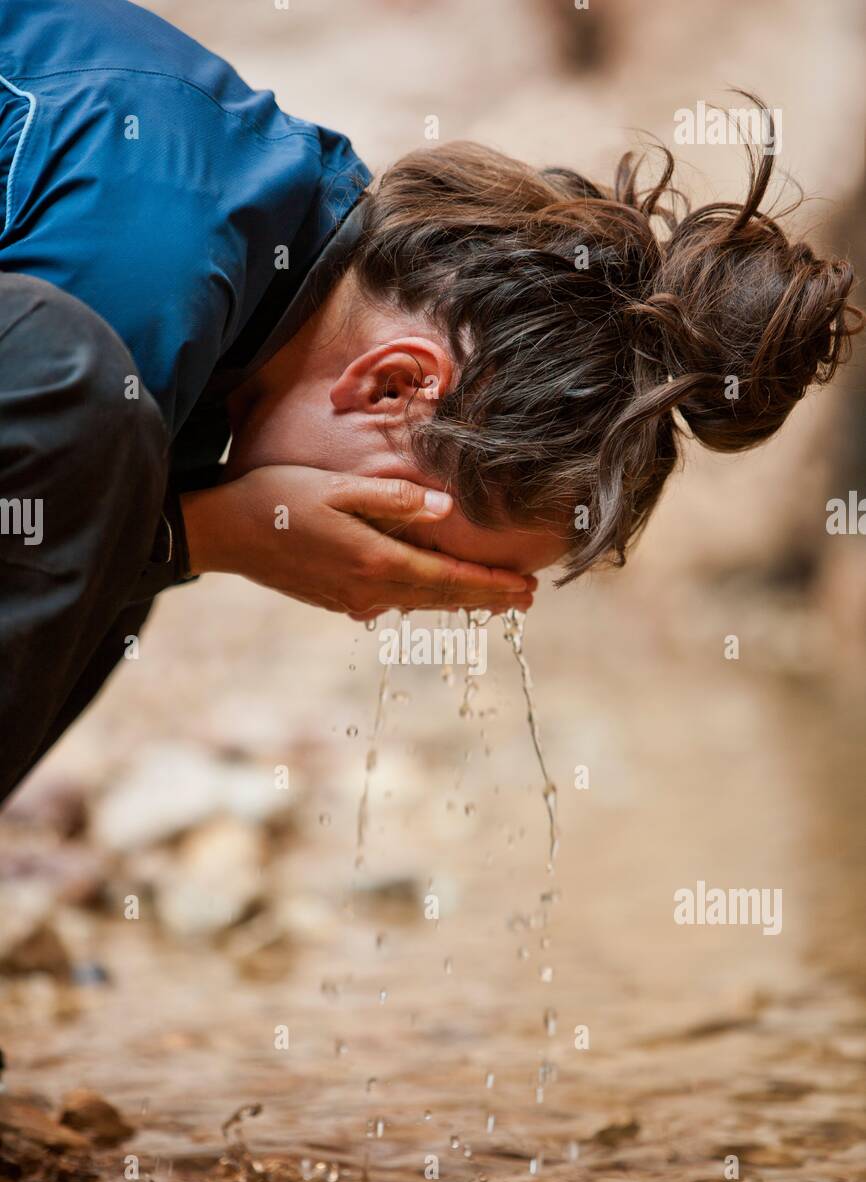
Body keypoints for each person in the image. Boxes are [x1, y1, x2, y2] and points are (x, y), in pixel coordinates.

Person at [0, 0, 858, 801]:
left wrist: (175, 536)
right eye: (394, 533)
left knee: (122, 511)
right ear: (395, 386)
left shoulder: (258, 273)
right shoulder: (148, 271)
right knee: (98, 454)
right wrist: (207, 535)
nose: (367, 592)